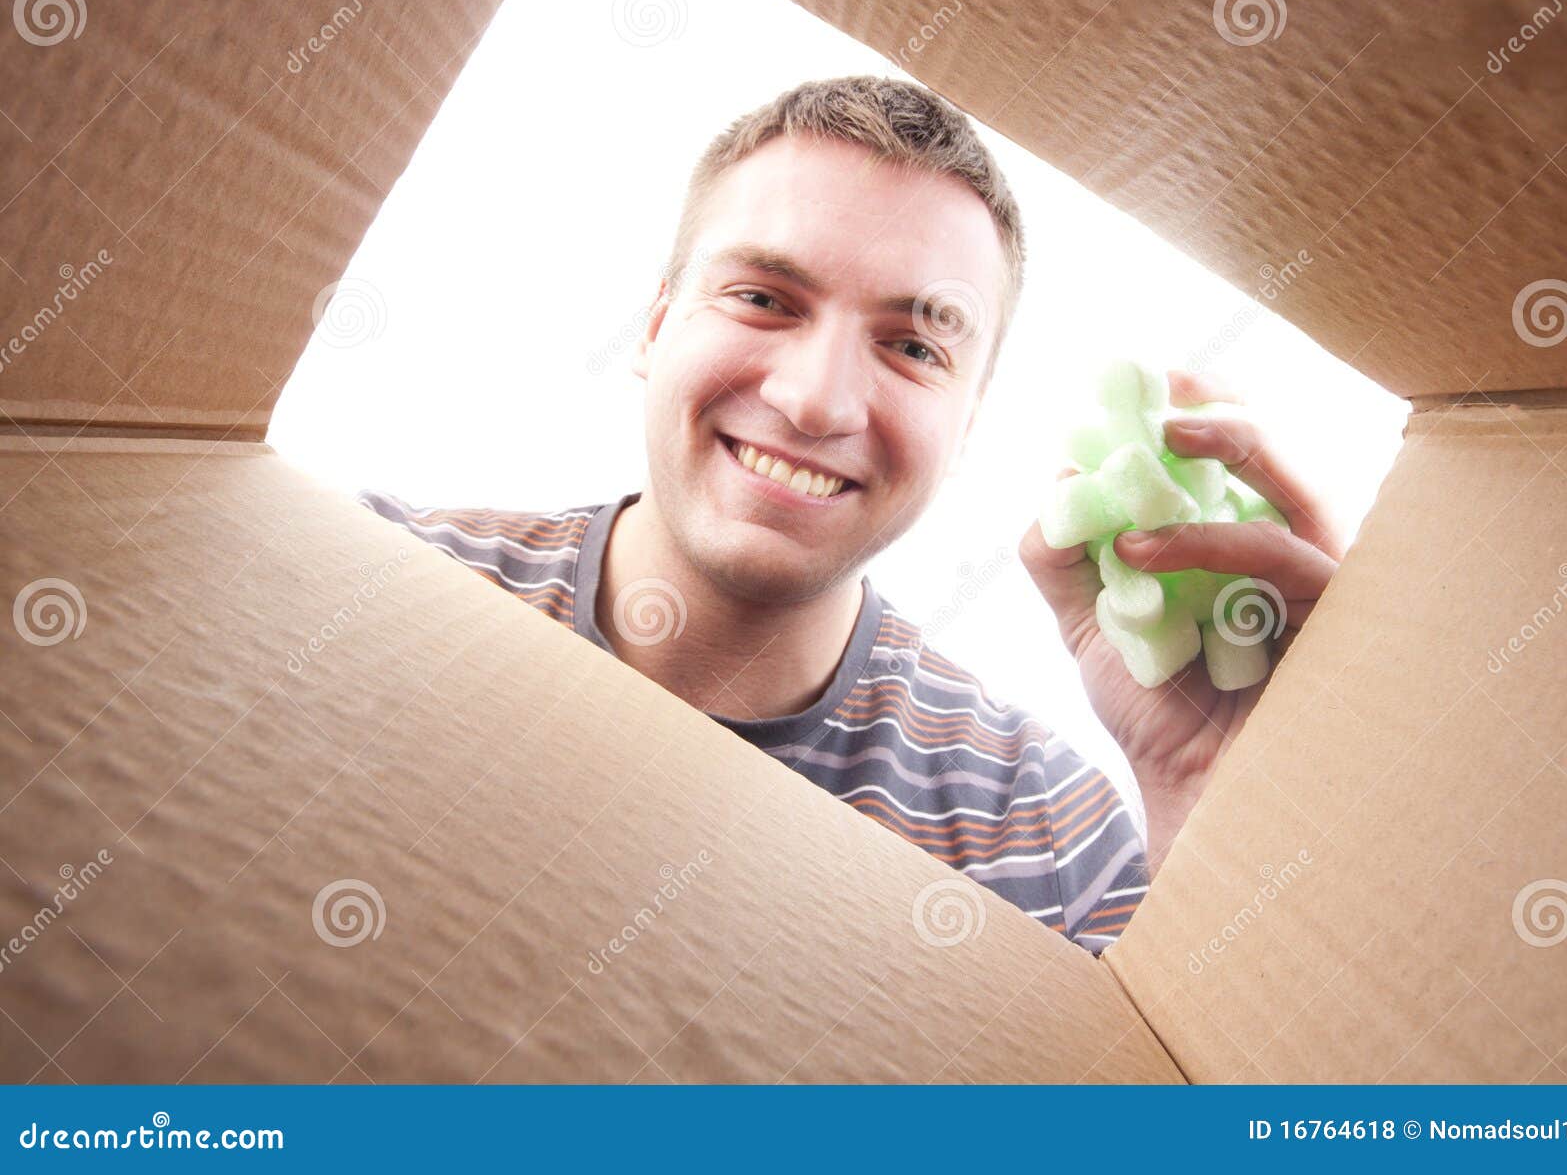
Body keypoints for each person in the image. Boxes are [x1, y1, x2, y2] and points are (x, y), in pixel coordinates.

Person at [359, 76, 1343, 953]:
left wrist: (1210, 795)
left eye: (915, 349)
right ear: (655, 329)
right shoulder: (367, 587)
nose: (817, 401)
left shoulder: (1049, 837)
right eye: (762, 298)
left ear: (965, 430)